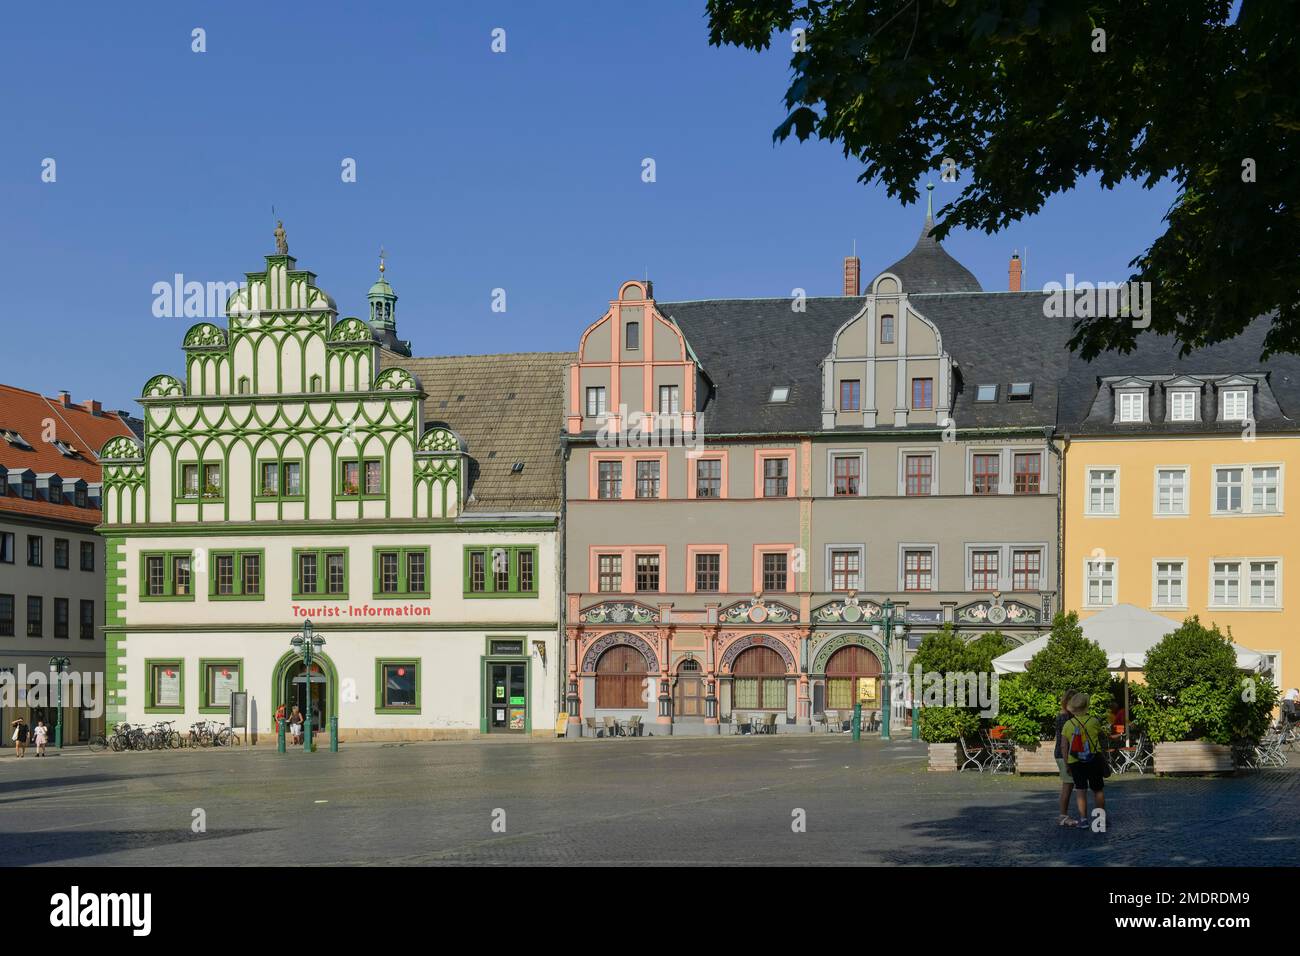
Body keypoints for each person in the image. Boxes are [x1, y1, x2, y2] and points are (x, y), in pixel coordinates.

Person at [1063, 692, 1107, 830]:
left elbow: (1064, 745)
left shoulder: (1068, 724)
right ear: (1086, 706)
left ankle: (1083, 820)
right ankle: (1100, 820)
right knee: (1098, 790)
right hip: (1093, 758)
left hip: (1075, 761)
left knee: (1081, 790)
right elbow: (1102, 737)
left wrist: (1066, 763)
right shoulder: (1094, 721)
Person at [1054, 689, 1077, 826]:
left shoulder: (1066, 715)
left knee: (1068, 784)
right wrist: (1067, 761)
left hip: (1065, 753)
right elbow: (1065, 741)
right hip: (1064, 754)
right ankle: (1062, 816)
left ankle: (1063, 815)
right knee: (1067, 785)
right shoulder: (1064, 717)